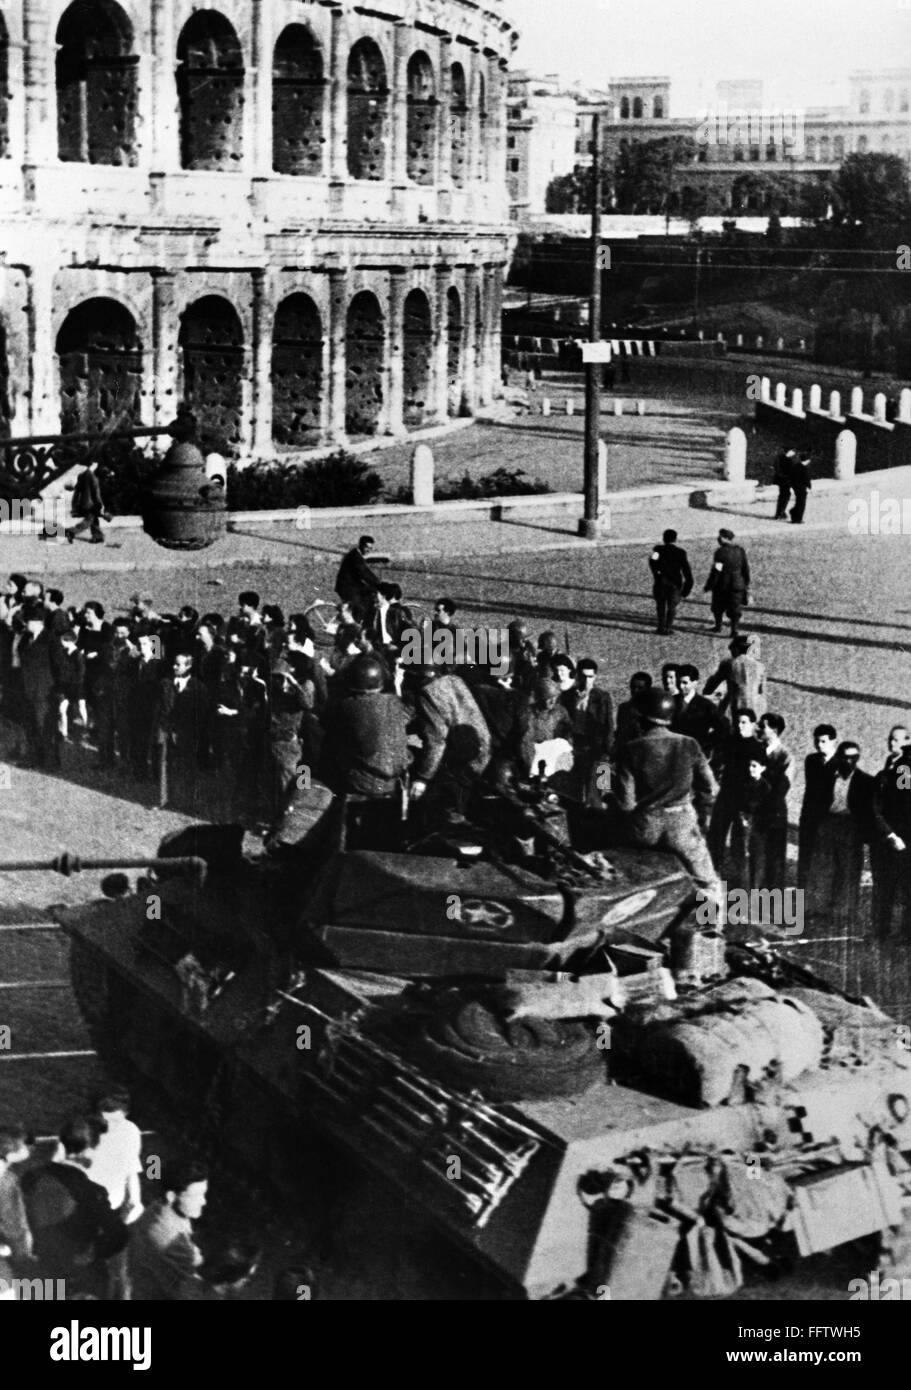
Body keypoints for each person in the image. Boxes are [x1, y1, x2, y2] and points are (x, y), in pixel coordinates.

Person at [614, 688, 719, 892]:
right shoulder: (689, 744)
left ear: (641, 718)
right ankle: (711, 920)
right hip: (681, 825)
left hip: (645, 828)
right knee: (707, 881)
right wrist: (701, 813)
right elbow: (711, 788)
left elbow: (625, 803)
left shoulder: (630, 748)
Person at [21, 1116, 128, 1298]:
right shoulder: (92, 1192)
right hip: (75, 1278)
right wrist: (94, 1252)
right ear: (90, 1151)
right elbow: (119, 1235)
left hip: (36, 1274)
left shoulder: (30, 1177)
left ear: (62, 1145)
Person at [804, 741, 885, 926]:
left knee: (848, 870)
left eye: (853, 758)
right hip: (828, 823)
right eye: (845, 757)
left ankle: (844, 914)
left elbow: (870, 810)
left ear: (857, 759)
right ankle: (819, 909)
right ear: (839, 757)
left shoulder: (865, 781)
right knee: (824, 867)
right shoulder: (826, 776)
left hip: (850, 827)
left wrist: (866, 835)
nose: (849, 761)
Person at [410, 664, 491, 817]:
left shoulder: (427, 694)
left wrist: (423, 778)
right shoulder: (454, 680)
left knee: (438, 810)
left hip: (463, 764)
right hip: (482, 752)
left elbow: (436, 742)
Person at [129, 1161, 208, 1301]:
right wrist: (195, 1256)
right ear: (171, 1196)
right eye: (195, 1196)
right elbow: (191, 1287)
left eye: (203, 1194)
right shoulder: (173, 1241)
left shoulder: (159, 1206)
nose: (203, 1201)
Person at [871, 726, 911, 939]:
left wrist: (896, 833)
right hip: (890, 833)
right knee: (886, 884)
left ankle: (904, 932)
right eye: (890, 739)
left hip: (901, 835)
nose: (891, 743)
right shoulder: (892, 764)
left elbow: (905, 802)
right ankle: (883, 930)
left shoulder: (905, 768)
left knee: (902, 885)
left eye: (897, 740)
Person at [562, 658, 614, 806]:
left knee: (601, 789)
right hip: (575, 745)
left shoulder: (603, 697)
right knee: (575, 787)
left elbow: (609, 726)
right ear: (577, 675)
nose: (587, 680)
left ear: (595, 677)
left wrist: (607, 752)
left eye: (590, 677)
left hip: (597, 747)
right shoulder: (568, 696)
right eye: (583, 676)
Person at [797, 723, 838, 888]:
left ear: (833, 741)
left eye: (823, 741)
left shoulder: (841, 764)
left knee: (825, 860)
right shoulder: (811, 760)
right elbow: (811, 790)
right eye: (817, 742)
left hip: (828, 820)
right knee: (805, 857)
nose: (819, 745)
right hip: (809, 818)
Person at [757, 713, 794, 888]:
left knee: (775, 858)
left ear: (775, 730)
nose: (759, 729)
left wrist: (762, 774)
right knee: (758, 855)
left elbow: (782, 786)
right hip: (755, 809)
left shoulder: (785, 756)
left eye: (763, 726)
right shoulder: (756, 750)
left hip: (775, 810)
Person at [672, 664, 729, 767]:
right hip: (673, 756)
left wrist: (705, 743)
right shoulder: (670, 701)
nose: (680, 686)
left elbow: (724, 727)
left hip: (695, 757)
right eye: (678, 682)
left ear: (695, 683)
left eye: (685, 683)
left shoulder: (705, 706)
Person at [704, 633, 765, 718]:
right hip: (754, 707)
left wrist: (706, 693)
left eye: (731, 649)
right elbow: (760, 691)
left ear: (736, 649)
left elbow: (712, 685)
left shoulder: (729, 663)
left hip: (736, 707)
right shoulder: (760, 666)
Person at [703, 528, 750, 637]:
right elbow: (745, 568)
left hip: (722, 584)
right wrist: (746, 583)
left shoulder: (720, 552)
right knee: (735, 608)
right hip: (737, 584)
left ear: (725, 538)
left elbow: (716, 571)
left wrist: (709, 585)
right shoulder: (740, 550)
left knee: (718, 607)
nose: (718, 538)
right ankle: (734, 630)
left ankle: (718, 626)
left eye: (720, 536)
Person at [0, 1124, 34, 1268]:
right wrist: (24, 1253)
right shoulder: (6, 1180)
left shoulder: (8, 1176)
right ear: (10, 1152)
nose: (29, 1148)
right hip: (13, 1250)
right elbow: (13, 1223)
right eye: (24, 1146)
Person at [649, 529, 694, 635]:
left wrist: (657, 574)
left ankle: (660, 627)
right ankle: (668, 627)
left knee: (660, 605)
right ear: (675, 539)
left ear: (664, 538)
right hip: (675, 583)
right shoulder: (681, 553)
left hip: (661, 582)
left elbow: (652, 562)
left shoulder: (658, 551)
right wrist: (687, 588)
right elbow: (687, 571)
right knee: (672, 607)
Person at [335, 536, 384, 614]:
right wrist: (378, 584)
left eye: (371, 548)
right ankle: (352, 624)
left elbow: (366, 572)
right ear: (361, 545)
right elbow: (364, 572)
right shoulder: (355, 556)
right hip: (347, 588)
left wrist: (377, 583)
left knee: (369, 596)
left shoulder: (357, 554)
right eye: (367, 547)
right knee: (360, 609)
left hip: (353, 585)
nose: (369, 550)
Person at [66, 460, 106, 545]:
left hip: (83, 502)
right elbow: (96, 493)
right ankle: (71, 531)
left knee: (93, 519)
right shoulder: (93, 477)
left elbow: (77, 491)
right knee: (88, 520)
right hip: (91, 504)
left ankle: (98, 536)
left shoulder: (82, 475)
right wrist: (100, 504)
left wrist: (75, 504)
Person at [613, 672, 652, 756]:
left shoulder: (652, 710)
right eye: (633, 687)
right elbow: (620, 732)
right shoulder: (623, 708)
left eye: (640, 688)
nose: (635, 691)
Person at [773, 449, 796, 521]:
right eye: (793, 451)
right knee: (785, 496)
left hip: (780, 480)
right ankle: (780, 513)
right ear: (789, 451)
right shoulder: (790, 460)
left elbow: (776, 469)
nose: (794, 453)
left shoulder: (779, 457)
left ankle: (780, 513)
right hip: (786, 480)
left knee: (783, 495)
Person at [790, 452, 812, 524]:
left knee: (798, 502)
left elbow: (792, 478)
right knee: (801, 504)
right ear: (807, 460)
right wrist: (809, 486)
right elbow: (806, 478)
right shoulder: (804, 468)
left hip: (796, 488)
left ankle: (794, 516)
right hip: (802, 488)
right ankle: (798, 518)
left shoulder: (796, 466)